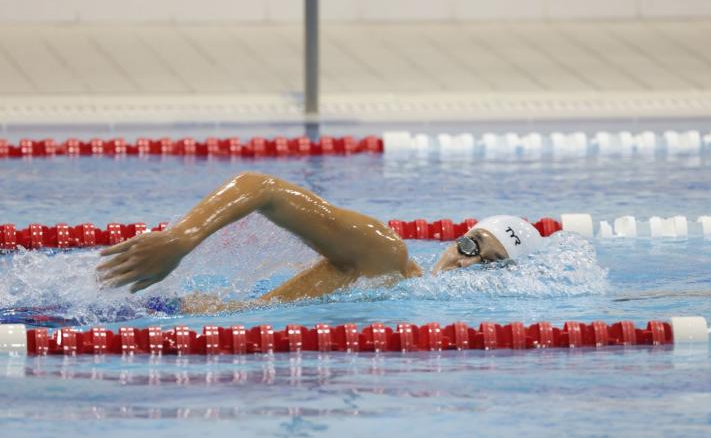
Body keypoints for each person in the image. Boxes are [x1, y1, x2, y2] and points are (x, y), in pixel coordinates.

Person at [97, 172, 543, 312]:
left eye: (491, 264)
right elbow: (262, 187)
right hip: (163, 316)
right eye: (471, 246)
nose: (468, 264)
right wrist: (181, 238)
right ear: (456, 239)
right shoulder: (386, 257)